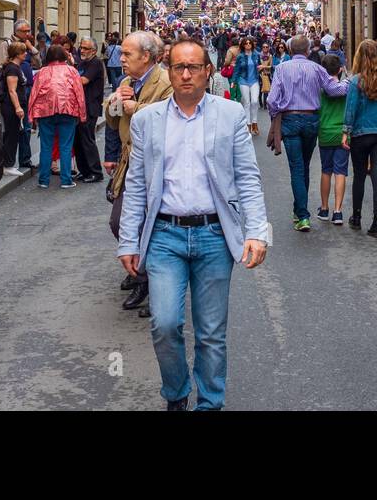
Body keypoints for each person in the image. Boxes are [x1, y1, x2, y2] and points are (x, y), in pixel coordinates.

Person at [117, 37, 269, 410]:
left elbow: (247, 177)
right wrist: (128, 241)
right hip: (164, 236)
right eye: (179, 67)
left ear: (207, 72)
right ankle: (177, 392)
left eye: (194, 68)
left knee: (211, 333)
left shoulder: (230, 114)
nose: (186, 75)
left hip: (214, 234)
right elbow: (136, 184)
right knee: (165, 325)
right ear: (169, 71)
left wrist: (256, 232)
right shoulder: (147, 119)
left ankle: (210, 403)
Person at [106, 31, 173, 315]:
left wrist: (138, 108)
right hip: (130, 163)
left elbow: (173, 116)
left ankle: (156, 287)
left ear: (146, 57)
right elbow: (113, 122)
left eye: (126, 54)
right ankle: (142, 274)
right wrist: (114, 103)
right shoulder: (125, 82)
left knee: (156, 227)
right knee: (119, 222)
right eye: (121, 54)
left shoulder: (167, 82)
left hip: (161, 168)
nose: (120, 59)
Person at [265, 34, 349, 232]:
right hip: (311, 120)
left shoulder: (282, 68)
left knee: (297, 167)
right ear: (308, 50)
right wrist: (350, 83)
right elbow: (334, 90)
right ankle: (299, 211)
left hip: (290, 120)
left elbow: (271, 100)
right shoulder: (317, 68)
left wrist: (276, 115)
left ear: (291, 50)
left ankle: (302, 215)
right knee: (304, 164)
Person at [343, 40, 377, 238]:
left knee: (359, 175)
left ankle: (356, 217)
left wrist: (345, 131)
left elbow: (351, 108)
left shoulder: (356, 81)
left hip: (360, 133)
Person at [28, 45, 87, 189]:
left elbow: (34, 93)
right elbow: (79, 94)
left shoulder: (42, 72)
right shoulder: (71, 71)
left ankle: (43, 180)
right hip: (67, 110)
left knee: (46, 146)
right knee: (65, 146)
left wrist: (31, 115)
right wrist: (82, 114)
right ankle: (66, 180)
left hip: (45, 111)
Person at [316, 54, 348, 226]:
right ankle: (338, 211)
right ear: (340, 70)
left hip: (326, 132)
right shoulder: (346, 88)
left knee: (326, 170)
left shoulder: (321, 89)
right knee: (341, 172)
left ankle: (324, 208)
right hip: (343, 133)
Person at [72, 38, 106, 184]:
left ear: (93, 50)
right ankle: (84, 170)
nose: (82, 50)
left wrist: (66, 78)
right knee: (78, 140)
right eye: (81, 47)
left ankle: (96, 172)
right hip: (80, 107)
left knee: (87, 139)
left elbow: (83, 80)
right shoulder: (82, 62)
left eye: (85, 48)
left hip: (90, 106)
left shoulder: (96, 63)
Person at [9, 20, 40, 169]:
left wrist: (30, 47)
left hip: (28, 88)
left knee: (27, 126)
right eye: (24, 31)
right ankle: (8, 162)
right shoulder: (8, 44)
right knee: (13, 127)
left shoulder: (27, 47)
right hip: (16, 89)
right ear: (17, 31)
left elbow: (39, 62)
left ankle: (25, 159)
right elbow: (1, 66)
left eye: (28, 30)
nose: (28, 33)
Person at [0, 42, 30, 170]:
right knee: (11, 135)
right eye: (23, 52)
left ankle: (8, 164)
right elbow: (12, 90)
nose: (26, 54)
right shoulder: (12, 68)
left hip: (13, 107)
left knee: (13, 134)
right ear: (17, 54)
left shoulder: (15, 67)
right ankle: (8, 165)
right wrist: (18, 107)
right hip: (11, 108)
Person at [232, 37, 263, 135]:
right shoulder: (240, 56)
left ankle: (255, 123)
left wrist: (261, 68)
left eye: (250, 43)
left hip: (254, 80)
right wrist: (233, 81)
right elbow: (236, 70)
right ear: (243, 45)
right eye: (246, 43)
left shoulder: (256, 55)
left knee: (254, 101)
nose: (248, 44)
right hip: (243, 80)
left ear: (252, 44)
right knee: (247, 103)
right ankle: (248, 125)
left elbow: (260, 66)